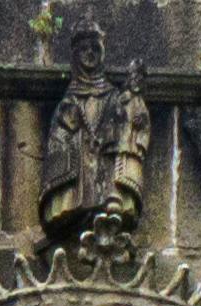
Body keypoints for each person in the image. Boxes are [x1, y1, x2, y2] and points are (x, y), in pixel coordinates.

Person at [41, 22, 150, 241]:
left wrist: (136, 118)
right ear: (75, 55)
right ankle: (73, 208)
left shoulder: (114, 95)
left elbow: (130, 120)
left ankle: (111, 204)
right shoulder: (69, 98)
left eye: (94, 48)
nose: (89, 53)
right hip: (79, 159)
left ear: (101, 53)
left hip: (106, 157)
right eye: (83, 49)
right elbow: (59, 135)